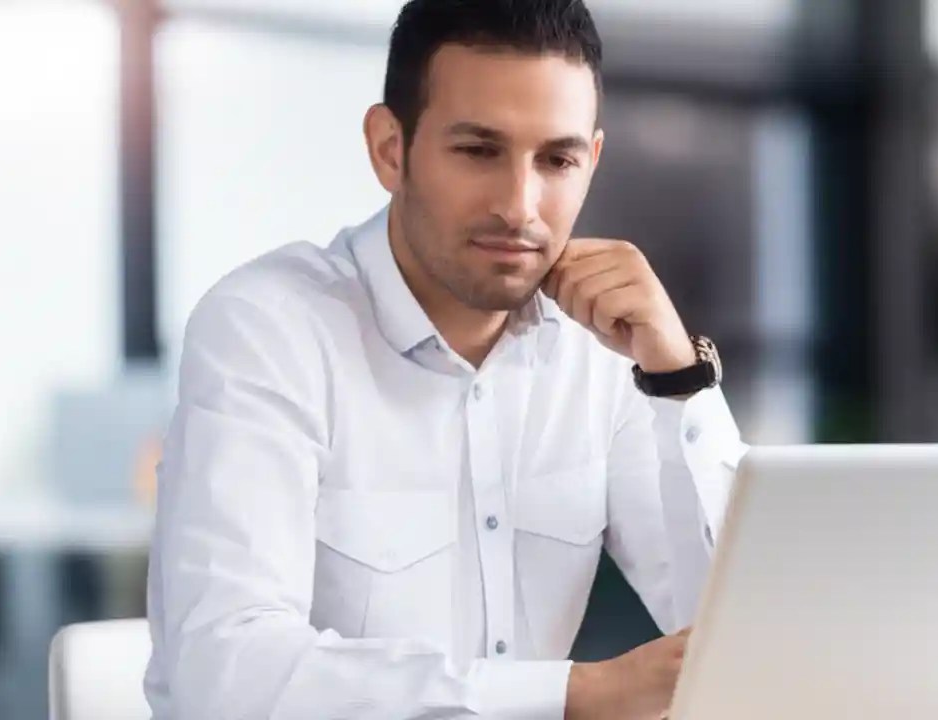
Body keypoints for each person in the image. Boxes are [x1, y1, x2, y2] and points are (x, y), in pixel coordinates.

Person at [144, 1, 747, 717]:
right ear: (389, 149)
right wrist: (572, 696)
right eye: (478, 150)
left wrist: (677, 379)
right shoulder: (268, 328)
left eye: (557, 159)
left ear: (593, 160)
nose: (520, 206)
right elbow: (227, 672)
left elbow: (742, 634)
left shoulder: (603, 349)